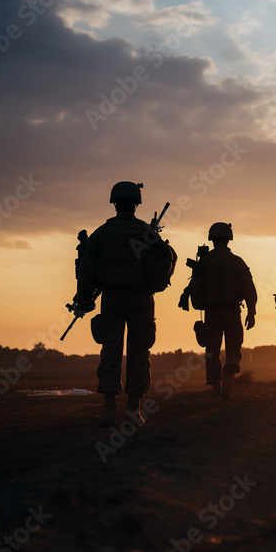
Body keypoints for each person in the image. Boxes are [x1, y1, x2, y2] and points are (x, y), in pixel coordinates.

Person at [74, 181, 168, 426]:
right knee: (139, 353)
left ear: (114, 203)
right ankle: (133, 410)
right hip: (141, 299)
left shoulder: (102, 233)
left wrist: (84, 298)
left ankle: (108, 410)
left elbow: (86, 268)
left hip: (112, 298)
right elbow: (163, 262)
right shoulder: (147, 232)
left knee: (111, 352)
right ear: (136, 203)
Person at [179, 222, 257, 400]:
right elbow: (248, 287)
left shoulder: (204, 262)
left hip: (211, 313)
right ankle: (227, 385)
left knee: (212, 351)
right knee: (233, 348)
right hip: (231, 311)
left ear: (212, 239)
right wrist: (252, 311)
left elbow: (193, 285)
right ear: (228, 239)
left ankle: (216, 389)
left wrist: (185, 297)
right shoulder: (236, 261)